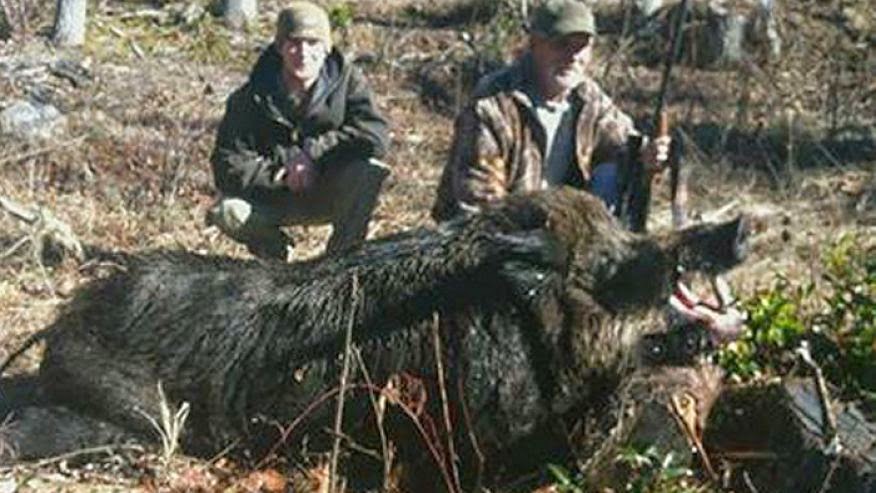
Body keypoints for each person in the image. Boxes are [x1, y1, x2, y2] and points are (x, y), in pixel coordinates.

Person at [432, 0, 671, 224]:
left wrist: (649, 155)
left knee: (614, 171)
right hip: (497, 235)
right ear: (534, 45)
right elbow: (480, 204)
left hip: (560, 233)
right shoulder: (493, 103)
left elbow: (625, 145)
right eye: (561, 45)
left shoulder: (588, 98)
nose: (573, 57)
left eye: (581, 47)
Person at [208, 1, 390, 260]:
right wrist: (280, 175)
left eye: (313, 43)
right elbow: (228, 162)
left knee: (369, 171)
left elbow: (375, 136)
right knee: (227, 211)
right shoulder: (251, 96)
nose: (303, 53)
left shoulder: (349, 82)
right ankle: (276, 255)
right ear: (280, 47)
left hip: (329, 188)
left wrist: (314, 155)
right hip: (274, 197)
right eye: (294, 43)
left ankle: (340, 262)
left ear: (326, 48)